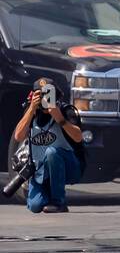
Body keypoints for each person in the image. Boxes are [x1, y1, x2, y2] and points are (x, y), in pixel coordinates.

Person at [12, 78, 84, 214]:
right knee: (35, 206)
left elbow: (78, 137)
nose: (44, 98)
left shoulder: (65, 110)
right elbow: (18, 136)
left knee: (52, 152)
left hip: (68, 166)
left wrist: (59, 118)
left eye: (48, 93)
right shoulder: (31, 112)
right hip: (40, 170)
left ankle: (59, 202)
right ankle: (48, 192)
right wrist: (32, 108)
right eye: (40, 94)